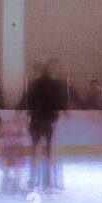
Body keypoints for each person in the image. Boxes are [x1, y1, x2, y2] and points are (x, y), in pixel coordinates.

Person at [27, 60, 67, 191]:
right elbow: (29, 99)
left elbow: (59, 102)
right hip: (38, 120)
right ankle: (35, 179)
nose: (54, 69)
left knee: (47, 151)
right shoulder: (38, 84)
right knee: (37, 151)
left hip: (48, 121)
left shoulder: (55, 85)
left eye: (56, 67)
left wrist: (64, 111)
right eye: (52, 66)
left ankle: (46, 180)